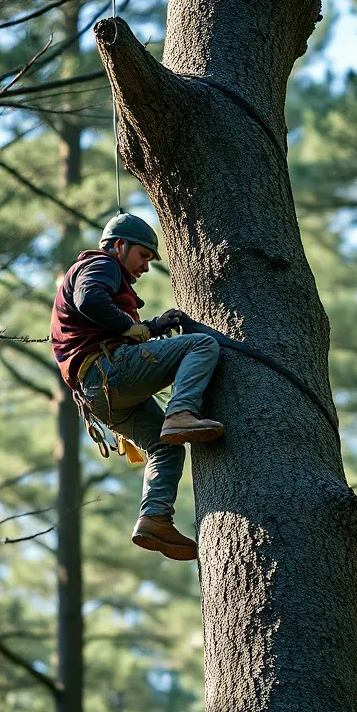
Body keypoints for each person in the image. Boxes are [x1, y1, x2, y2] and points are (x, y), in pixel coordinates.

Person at [50, 212, 224, 561]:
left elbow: (107, 323)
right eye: (144, 255)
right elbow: (90, 300)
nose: (145, 266)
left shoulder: (106, 275)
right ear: (119, 245)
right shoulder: (102, 264)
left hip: (99, 396)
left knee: (165, 447)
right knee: (202, 345)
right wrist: (129, 329)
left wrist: (155, 326)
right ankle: (181, 412)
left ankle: (154, 518)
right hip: (109, 373)